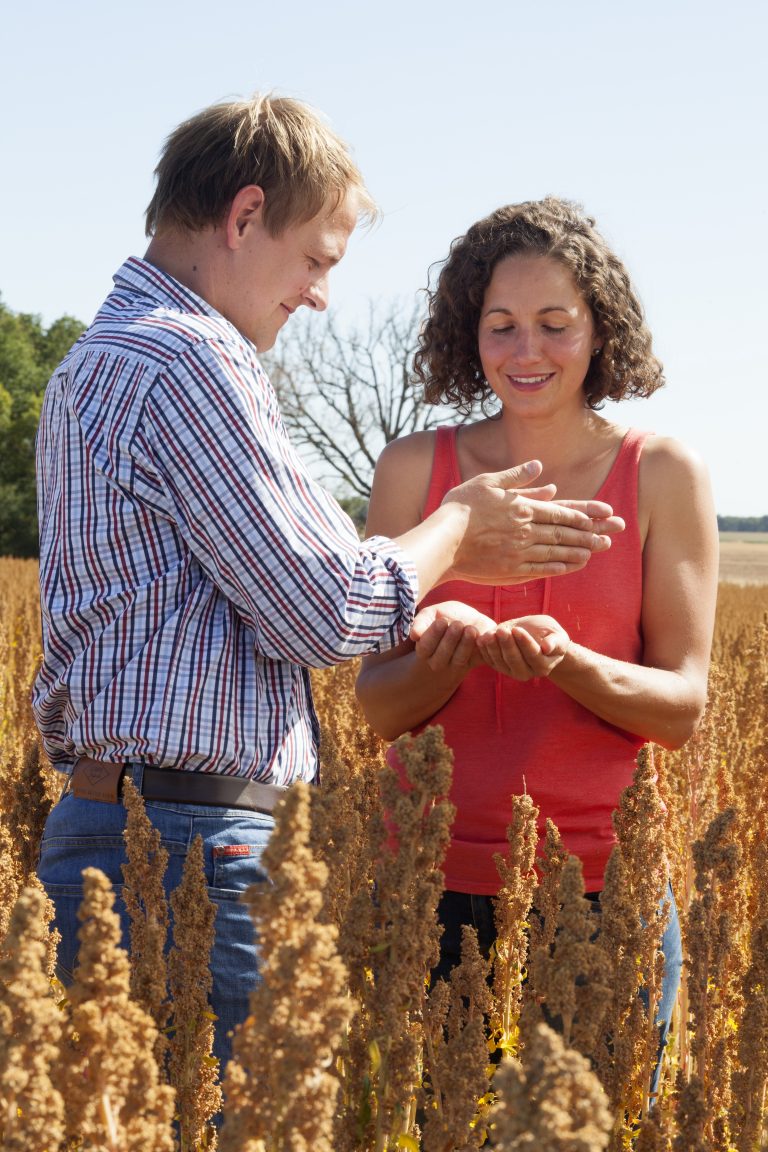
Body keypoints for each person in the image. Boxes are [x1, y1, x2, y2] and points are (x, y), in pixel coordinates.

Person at [33, 102, 624, 1070]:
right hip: (188, 846)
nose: (317, 295)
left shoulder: (93, 362)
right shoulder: (188, 357)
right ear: (245, 215)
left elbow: (263, 585)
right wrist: (456, 527)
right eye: (316, 259)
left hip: (116, 824)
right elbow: (324, 611)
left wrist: (438, 571)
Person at [356, 197, 719, 1083]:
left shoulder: (661, 472)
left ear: (600, 332)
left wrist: (567, 661)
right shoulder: (414, 469)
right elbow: (379, 706)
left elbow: (679, 708)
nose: (527, 351)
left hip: (602, 891)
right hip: (428, 884)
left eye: (555, 325)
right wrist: (442, 661)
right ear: (469, 334)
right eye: (502, 326)